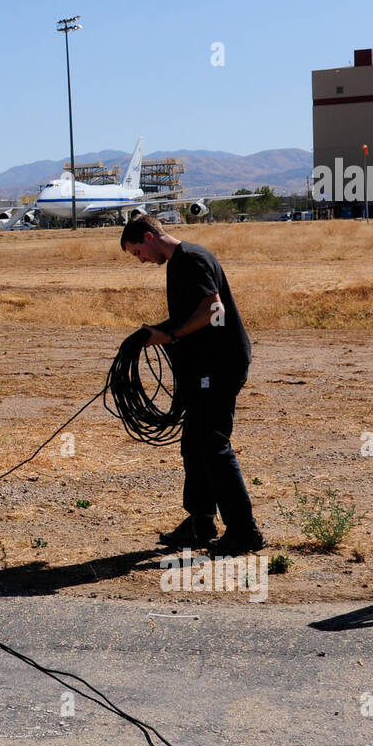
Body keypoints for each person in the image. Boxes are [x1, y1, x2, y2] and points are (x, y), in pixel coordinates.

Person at [120, 213, 263, 556]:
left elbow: (214, 311)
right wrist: (155, 332)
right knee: (193, 443)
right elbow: (191, 316)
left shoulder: (192, 259)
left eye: (137, 251)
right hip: (205, 366)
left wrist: (168, 334)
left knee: (212, 444)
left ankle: (244, 531)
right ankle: (201, 522)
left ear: (149, 237)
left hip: (220, 364)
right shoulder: (178, 263)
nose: (139, 260)